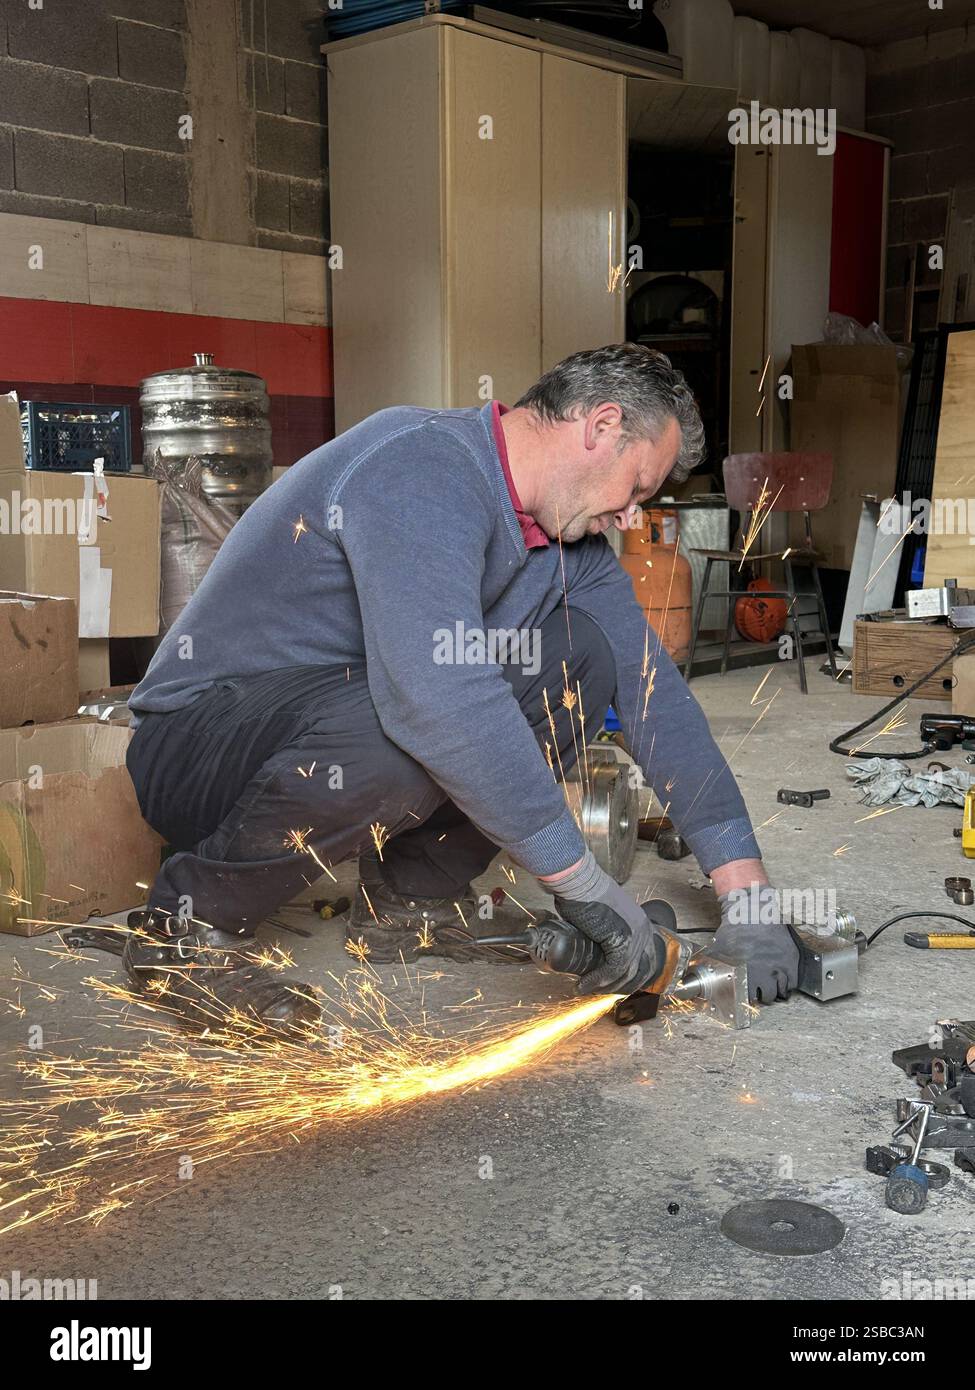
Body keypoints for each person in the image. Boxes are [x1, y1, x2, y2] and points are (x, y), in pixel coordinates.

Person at [124, 344, 797, 1030]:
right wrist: (581, 884)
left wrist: (748, 901)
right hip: (199, 741)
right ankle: (187, 930)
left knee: (582, 657)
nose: (631, 516)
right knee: (416, 720)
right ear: (599, 427)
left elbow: (655, 700)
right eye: (639, 487)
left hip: (335, 720)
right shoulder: (419, 465)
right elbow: (435, 700)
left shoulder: (573, 545)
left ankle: (408, 906)